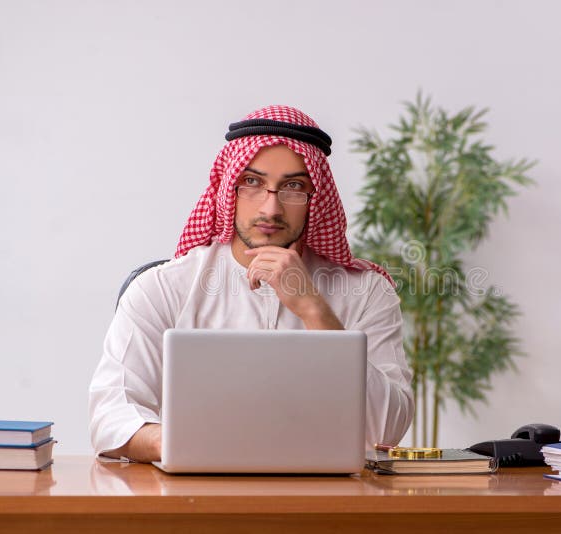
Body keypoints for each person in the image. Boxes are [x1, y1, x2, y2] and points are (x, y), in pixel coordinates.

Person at [88, 105, 414, 462]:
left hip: (327, 492)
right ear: (229, 188)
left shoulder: (368, 292)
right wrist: (181, 443)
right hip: (197, 487)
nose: (271, 209)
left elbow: (387, 431)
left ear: (315, 198)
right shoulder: (163, 288)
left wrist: (315, 312)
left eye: (293, 186)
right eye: (252, 183)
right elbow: (110, 417)